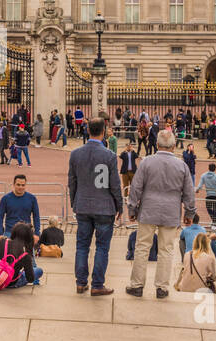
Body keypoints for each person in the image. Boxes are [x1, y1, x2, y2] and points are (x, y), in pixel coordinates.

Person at [124, 130, 195, 299]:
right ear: (173, 145)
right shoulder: (182, 166)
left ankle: (137, 285)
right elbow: (189, 193)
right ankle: (162, 287)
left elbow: (136, 188)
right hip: (171, 212)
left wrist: (132, 208)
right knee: (166, 250)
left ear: (157, 144)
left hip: (148, 210)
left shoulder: (147, 162)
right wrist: (190, 213)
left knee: (142, 248)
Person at [67, 118, 123, 297]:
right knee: (102, 247)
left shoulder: (75, 154)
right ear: (104, 131)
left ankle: (80, 282)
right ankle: (97, 284)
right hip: (104, 207)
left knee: (82, 246)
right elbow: (115, 185)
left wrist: (74, 202)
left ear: (88, 130)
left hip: (82, 205)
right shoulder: (109, 155)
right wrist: (119, 205)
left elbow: (72, 182)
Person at [0, 221, 42, 289]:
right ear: (28, 237)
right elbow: (30, 279)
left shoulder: (2, 241)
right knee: (39, 270)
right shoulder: (25, 255)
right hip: (10, 282)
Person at [0, 173, 41, 247]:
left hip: (27, 233)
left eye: (23, 185)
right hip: (9, 233)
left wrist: (37, 234)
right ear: (13, 184)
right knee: (9, 257)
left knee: (29, 258)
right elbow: (0, 217)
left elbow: (36, 217)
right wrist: (0, 234)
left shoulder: (32, 198)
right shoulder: (5, 199)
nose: (20, 187)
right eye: (18, 185)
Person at [195, 162, 216, 227]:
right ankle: (214, 222)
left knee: (208, 208)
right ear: (215, 169)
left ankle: (214, 222)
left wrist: (197, 190)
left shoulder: (203, 175)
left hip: (208, 195)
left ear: (208, 168)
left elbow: (200, 185)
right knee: (215, 209)